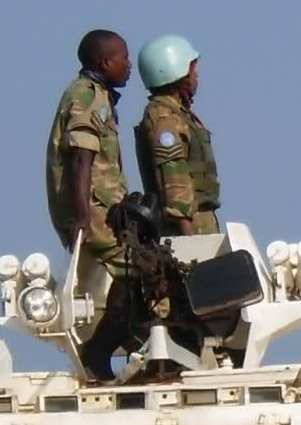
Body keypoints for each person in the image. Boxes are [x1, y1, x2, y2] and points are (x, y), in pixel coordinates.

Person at [45, 29, 132, 380]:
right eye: (123, 58)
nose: (129, 65)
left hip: (103, 208)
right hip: (96, 212)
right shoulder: (88, 95)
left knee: (134, 277)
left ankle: (109, 349)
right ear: (105, 62)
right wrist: (82, 216)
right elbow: (81, 157)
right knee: (142, 277)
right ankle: (100, 351)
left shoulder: (95, 94)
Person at [133, 34, 221, 236]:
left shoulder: (178, 113)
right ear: (177, 71)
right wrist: (190, 240)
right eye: (192, 69)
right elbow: (174, 180)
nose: (196, 75)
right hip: (188, 226)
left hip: (200, 220)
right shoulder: (164, 118)